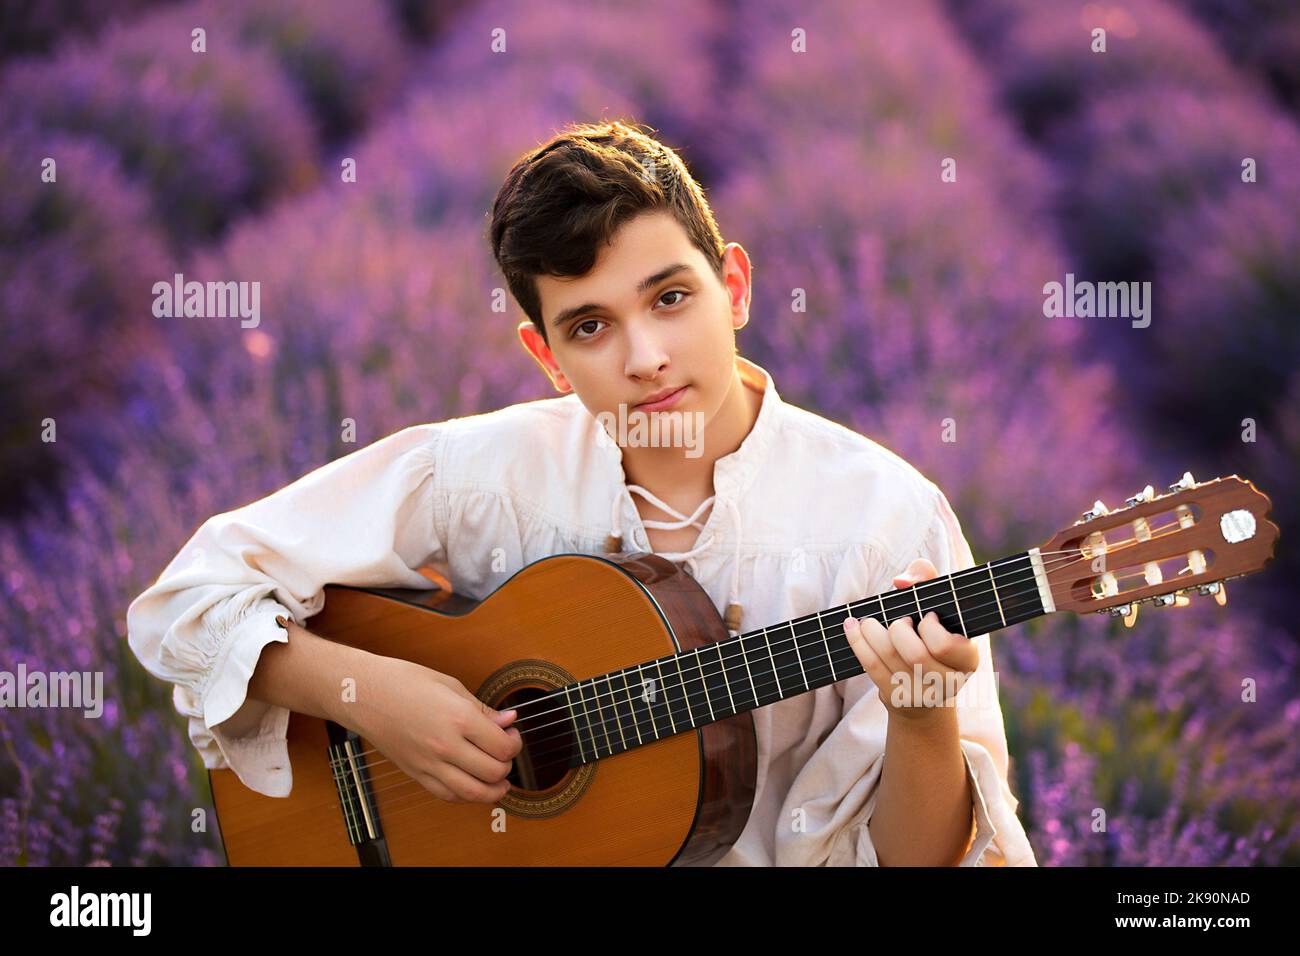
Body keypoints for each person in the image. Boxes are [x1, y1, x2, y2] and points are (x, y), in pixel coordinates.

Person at [127, 119, 1037, 866]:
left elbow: (924, 862)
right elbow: (182, 605)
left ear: (735, 284)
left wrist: (922, 718)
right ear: (546, 358)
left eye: (671, 298)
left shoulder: (883, 523)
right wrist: (370, 694)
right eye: (591, 326)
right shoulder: (483, 474)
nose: (644, 359)